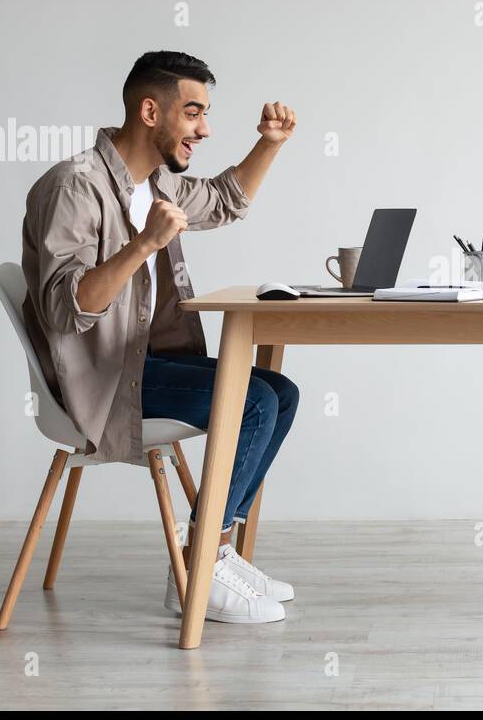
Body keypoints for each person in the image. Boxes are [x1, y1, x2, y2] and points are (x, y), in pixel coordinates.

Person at [21, 50, 300, 624]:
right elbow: (63, 308)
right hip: (100, 378)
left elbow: (224, 200)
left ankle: (209, 548)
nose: (205, 128)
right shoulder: (74, 186)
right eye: (193, 112)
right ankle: (197, 564)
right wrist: (142, 245)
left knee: (280, 391)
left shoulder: (153, 187)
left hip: (142, 363)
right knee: (251, 401)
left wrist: (270, 143)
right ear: (151, 111)